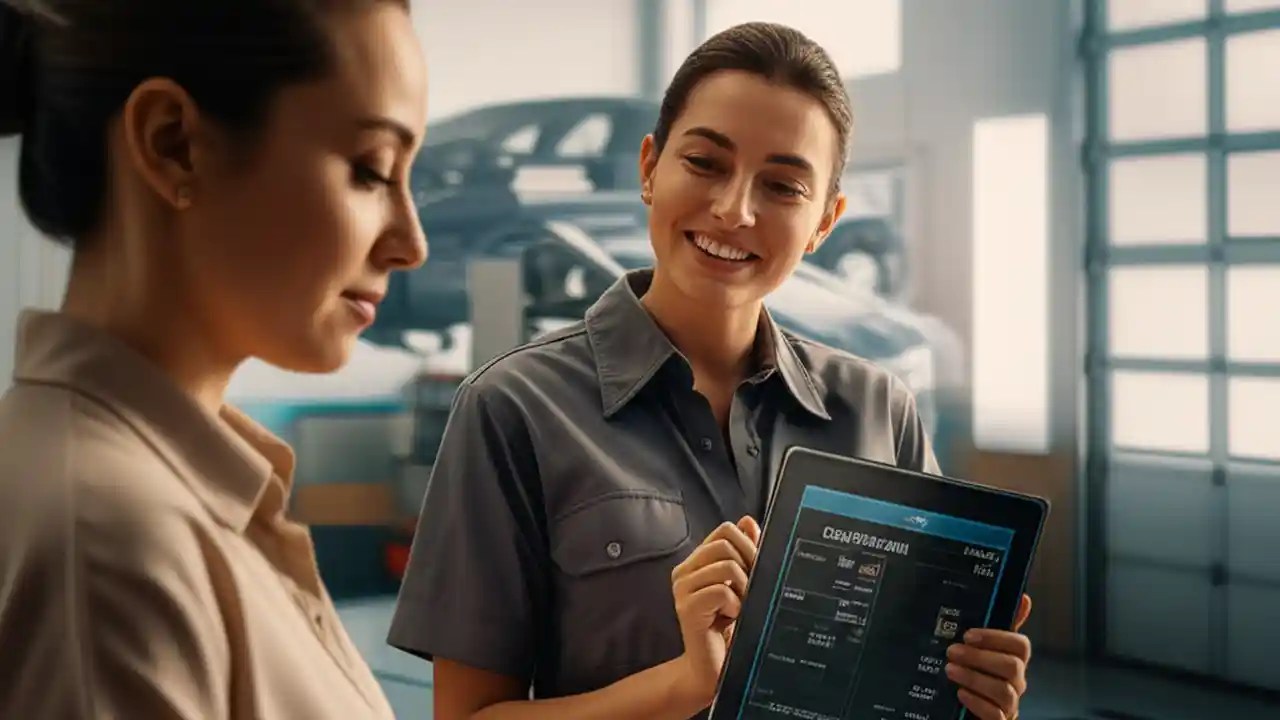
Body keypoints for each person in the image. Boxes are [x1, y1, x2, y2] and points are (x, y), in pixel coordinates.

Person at [388, 21, 1034, 720]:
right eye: (704, 163)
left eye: (784, 186)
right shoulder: (513, 409)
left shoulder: (881, 411)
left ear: (825, 221)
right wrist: (681, 687)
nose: (734, 210)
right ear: (648, 168)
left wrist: (966, 698)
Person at [0, 0, 427, 717]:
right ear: (173, 144)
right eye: (370, 169)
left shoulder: (173, 497)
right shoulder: (111, 549)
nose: (410, 242)